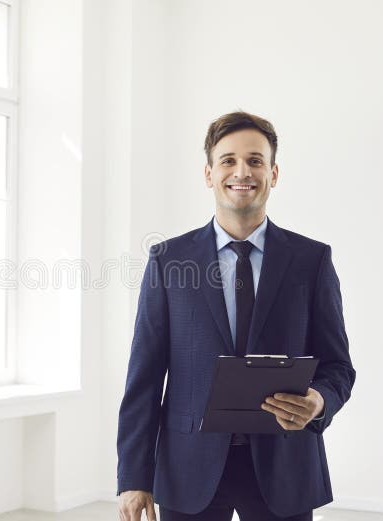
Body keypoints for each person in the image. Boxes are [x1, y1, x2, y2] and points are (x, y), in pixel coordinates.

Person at [116, 111, 356, 521]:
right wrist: (133, 475)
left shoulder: (311, 260)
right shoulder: (169, 260)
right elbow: (145, 375)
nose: (241, 171)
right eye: (227, 160)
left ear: (273, 173)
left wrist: (317, 402)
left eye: (255, 160)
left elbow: (338, 367)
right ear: (209, 174)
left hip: (284, 466)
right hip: (188, 467)